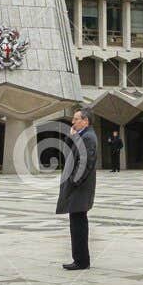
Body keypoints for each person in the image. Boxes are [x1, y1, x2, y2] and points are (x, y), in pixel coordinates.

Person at [56, 109, 98, 270]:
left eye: (76, 119)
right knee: (77, 223)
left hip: (80, 188)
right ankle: (80, 259)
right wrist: (73, 136)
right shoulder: (84, 136)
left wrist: (74, 181)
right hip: (80, 188)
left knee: (78, 225)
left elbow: (85, 163)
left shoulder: (88, 137)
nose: (72, 122)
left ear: (85, 121)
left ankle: (81, 261)